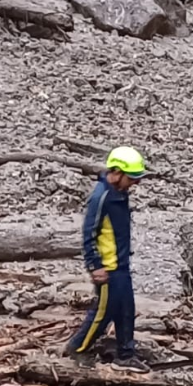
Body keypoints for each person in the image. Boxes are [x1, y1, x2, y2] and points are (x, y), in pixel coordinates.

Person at [64, 146, 150, 373]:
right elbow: (89, 233)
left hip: (121, 266)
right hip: (107, 268)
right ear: (117, 172)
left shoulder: (119, 194)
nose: (135, 184)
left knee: (126, 310)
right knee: (102, 314)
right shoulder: (101, 197)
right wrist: (95, 266)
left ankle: (126, 354)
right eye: (132, 178)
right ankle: (78, 348)